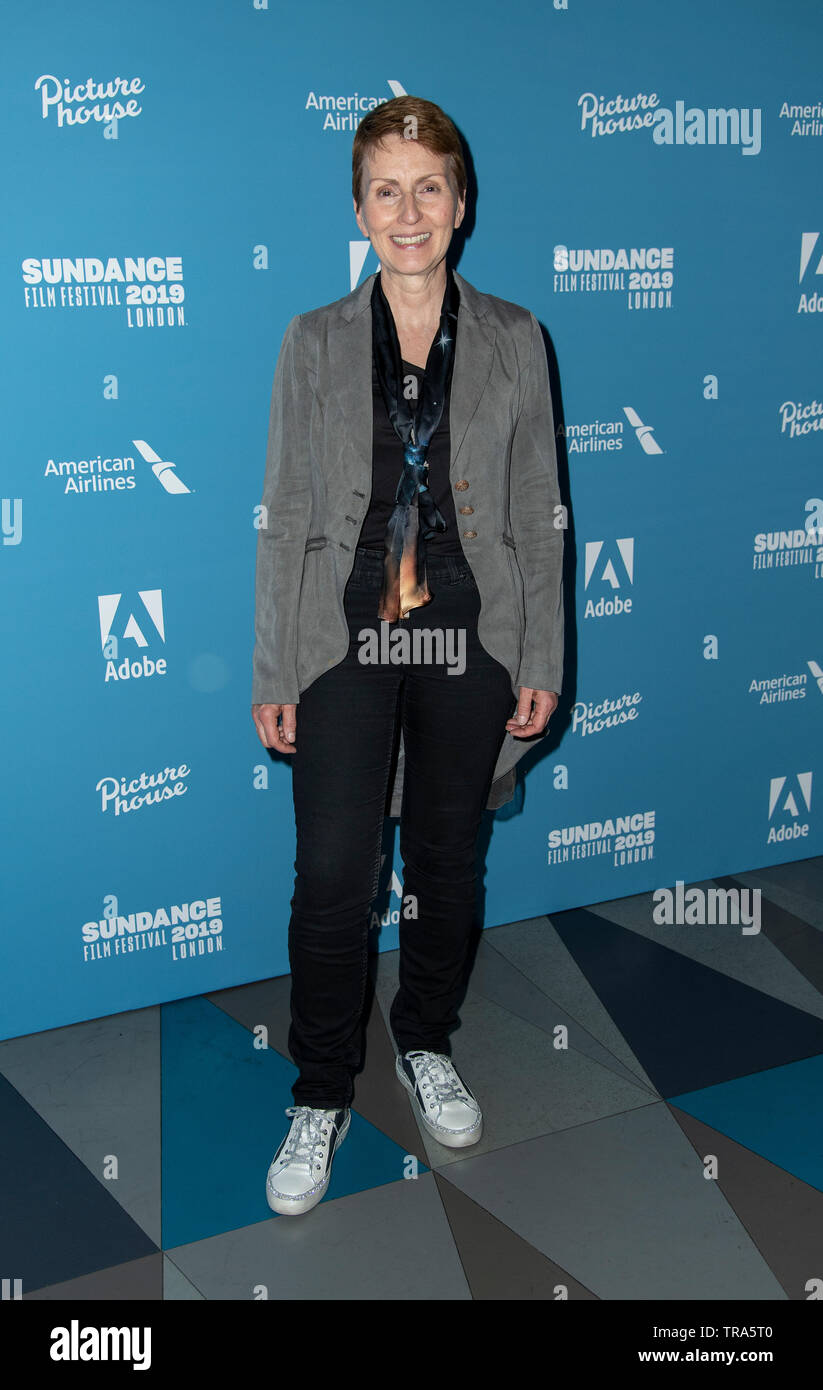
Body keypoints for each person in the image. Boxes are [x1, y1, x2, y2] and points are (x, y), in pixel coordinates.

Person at [252, 95, 564, 1217]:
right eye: (386, 188)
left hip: (470, 633)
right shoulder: (313, 340)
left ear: (461, 203)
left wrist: (540, 650)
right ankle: (321, 1090)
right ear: (359, 207)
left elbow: (538, 507)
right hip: (344, 633)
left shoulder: (518, 337)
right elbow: (285, 513)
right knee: (332, 877)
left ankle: (425, 1038)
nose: (409, 209)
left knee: (446, 864)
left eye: (428, 186)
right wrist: (271, 669)